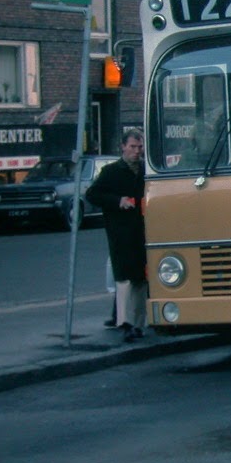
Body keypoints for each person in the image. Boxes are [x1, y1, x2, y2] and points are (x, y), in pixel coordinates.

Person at [86, 129, 147, 343]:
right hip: (120, 232)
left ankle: (138, 324)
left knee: (140, 279)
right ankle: (126, 324)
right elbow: (92, 194)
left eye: (139, 147)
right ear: (123, 147)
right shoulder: (112, 171)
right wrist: (117, 200)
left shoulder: (145, 170)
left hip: (143, 231)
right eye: (132, 147)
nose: (136, 151)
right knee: (124, 279)